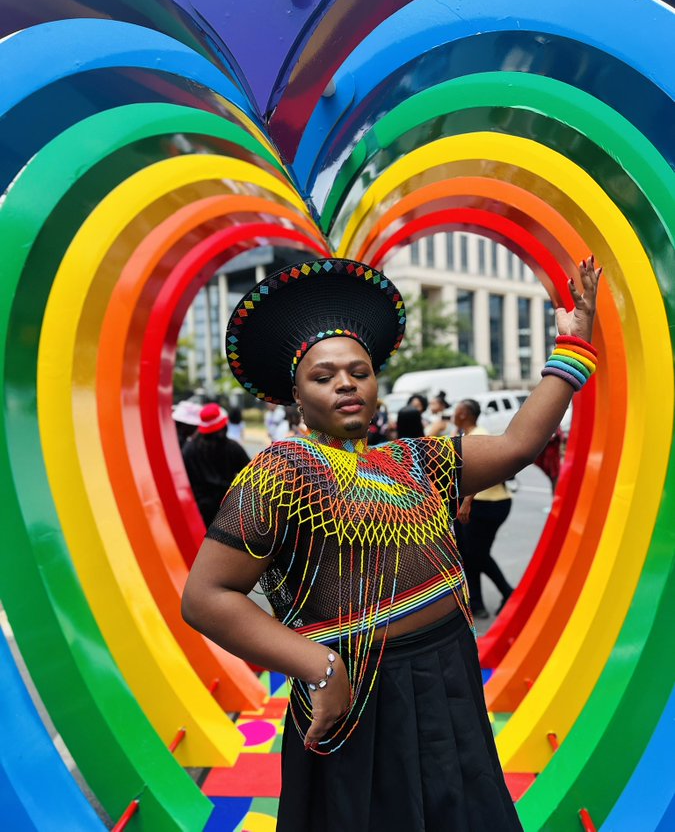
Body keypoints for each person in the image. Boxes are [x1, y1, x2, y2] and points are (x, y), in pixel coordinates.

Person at [182, 255, 601, 831]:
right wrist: (319, 667)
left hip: (448, 673)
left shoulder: (416, 460)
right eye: (323, 377)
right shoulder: (277, 474)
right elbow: (206, 597)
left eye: (359, 371)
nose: (345, 383)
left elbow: (517, 447)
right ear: (296, 396)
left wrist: (572, 346)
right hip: (354, 691)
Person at [453, 398, 514, 619]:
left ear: (464, 414)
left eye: (457, 409)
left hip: (488, 504)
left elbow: (484, 471)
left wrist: (467, 502)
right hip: (482, 503)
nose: (453, 413)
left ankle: (508, 593)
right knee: (471, 554)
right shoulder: (465, 434)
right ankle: (476, 602)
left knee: (477, 554)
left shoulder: (478, 435)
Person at [181, 403, 250, 526]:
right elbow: (251, 474)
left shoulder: (189, 449)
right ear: (223, 427)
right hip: (227, 511)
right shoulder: (233, 448)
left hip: (198, 512)